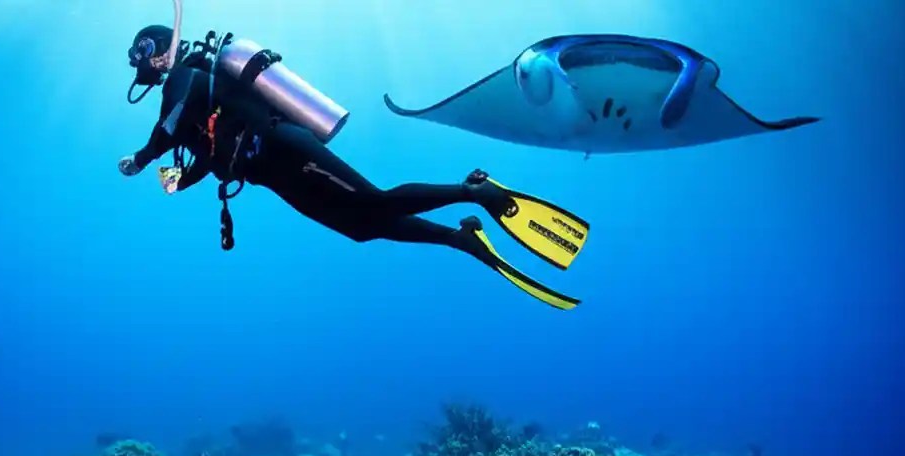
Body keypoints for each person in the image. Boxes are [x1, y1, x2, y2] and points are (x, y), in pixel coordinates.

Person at [118, 25, 590, 309]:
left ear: (159, 48)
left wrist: (141, 160)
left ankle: (475, 190)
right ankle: (460, 238)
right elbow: (201, 156)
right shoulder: (185, 101)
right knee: (362, 227)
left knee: (372, 202)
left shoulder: (184, 77)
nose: (136, 62)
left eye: (139, 51)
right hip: (275, 176)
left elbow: (170, 127)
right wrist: (179, 181)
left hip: (287, 150)